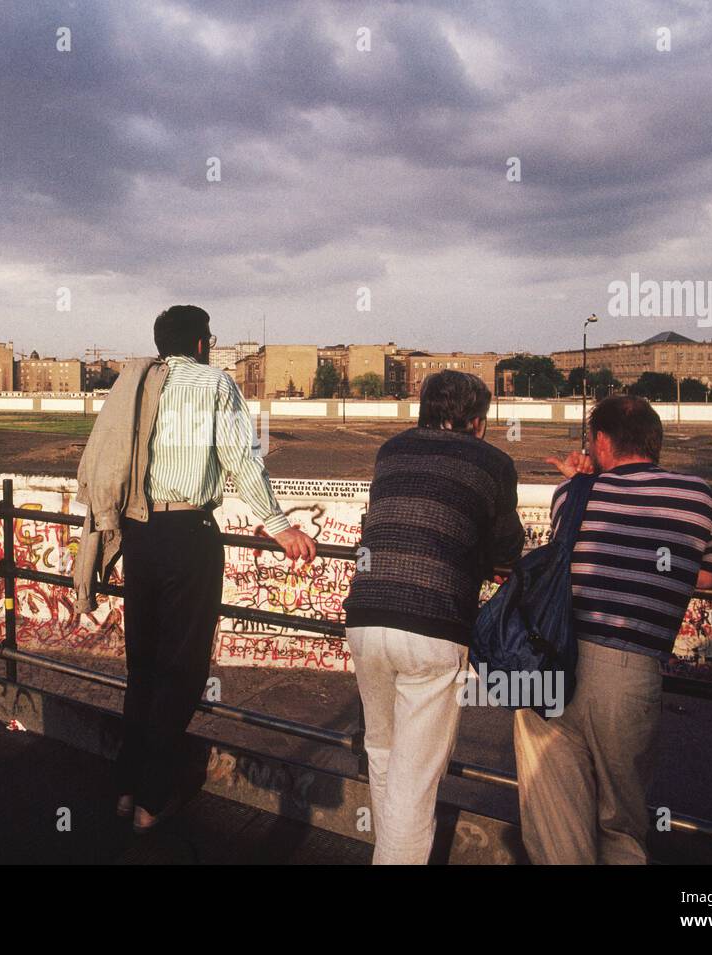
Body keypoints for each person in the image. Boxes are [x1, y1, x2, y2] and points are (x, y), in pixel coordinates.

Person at [76, 304, 316, 833]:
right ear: (204, 344)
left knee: (143, 667)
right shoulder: (214, 384)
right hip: (189, 537)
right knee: (181, 672)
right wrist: (279, 526)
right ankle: (152, 801)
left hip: (140, 534)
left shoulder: (138, 384)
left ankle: (126, 786)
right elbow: (242, 459)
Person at [515, 394, 712, 864]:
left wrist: (583, 482)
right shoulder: (698, 497)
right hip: (631, 672)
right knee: (622, 825)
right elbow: (704, 576)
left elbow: (569, 553)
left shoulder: (571, 494)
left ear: (601, 440)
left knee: (556, 819)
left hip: (555, 661)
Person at [342, 370, 524, 864]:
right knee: (416, 776)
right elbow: (508, 548)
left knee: (381, 750)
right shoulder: (493, 462)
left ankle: (387, 849)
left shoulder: (391, 451)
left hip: (365, 615)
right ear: (479, 422)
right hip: (434, 624)